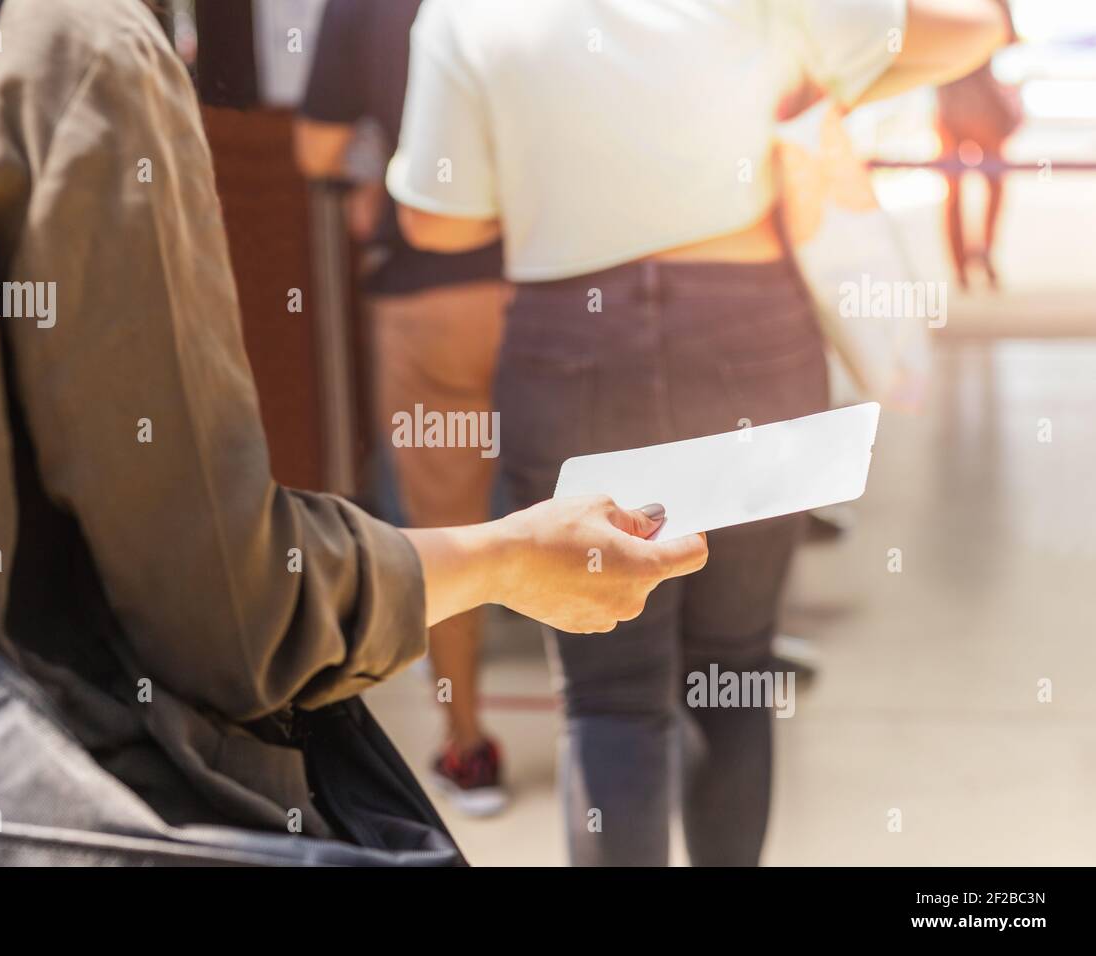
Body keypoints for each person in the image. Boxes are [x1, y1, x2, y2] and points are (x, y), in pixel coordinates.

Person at [0, 0, 707, 865]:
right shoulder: (72, 56)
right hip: (52, 814)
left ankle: (465, 738)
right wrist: (509, 560)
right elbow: (228, 611)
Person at [389, 0, 1008, 865]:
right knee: (734, 664)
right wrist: (835, 79)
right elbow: (976, 28)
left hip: (571, 338)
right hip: (746, 327)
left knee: (607, 695)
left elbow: (435, 220)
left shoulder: (464, 13)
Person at [294, 0, 511, 816]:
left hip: (436, 294)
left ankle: (468, 744)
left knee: (447, 526)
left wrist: (374, 182)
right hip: (571, 281)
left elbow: (315, 147)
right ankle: (622, 725)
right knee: (602, 497)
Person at [937, 0, 1020, 289]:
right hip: (980, 100)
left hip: (948, 98)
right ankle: (982, 253)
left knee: (954, 189)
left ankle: (962, 264)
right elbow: (1009, 37)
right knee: (992, 183)